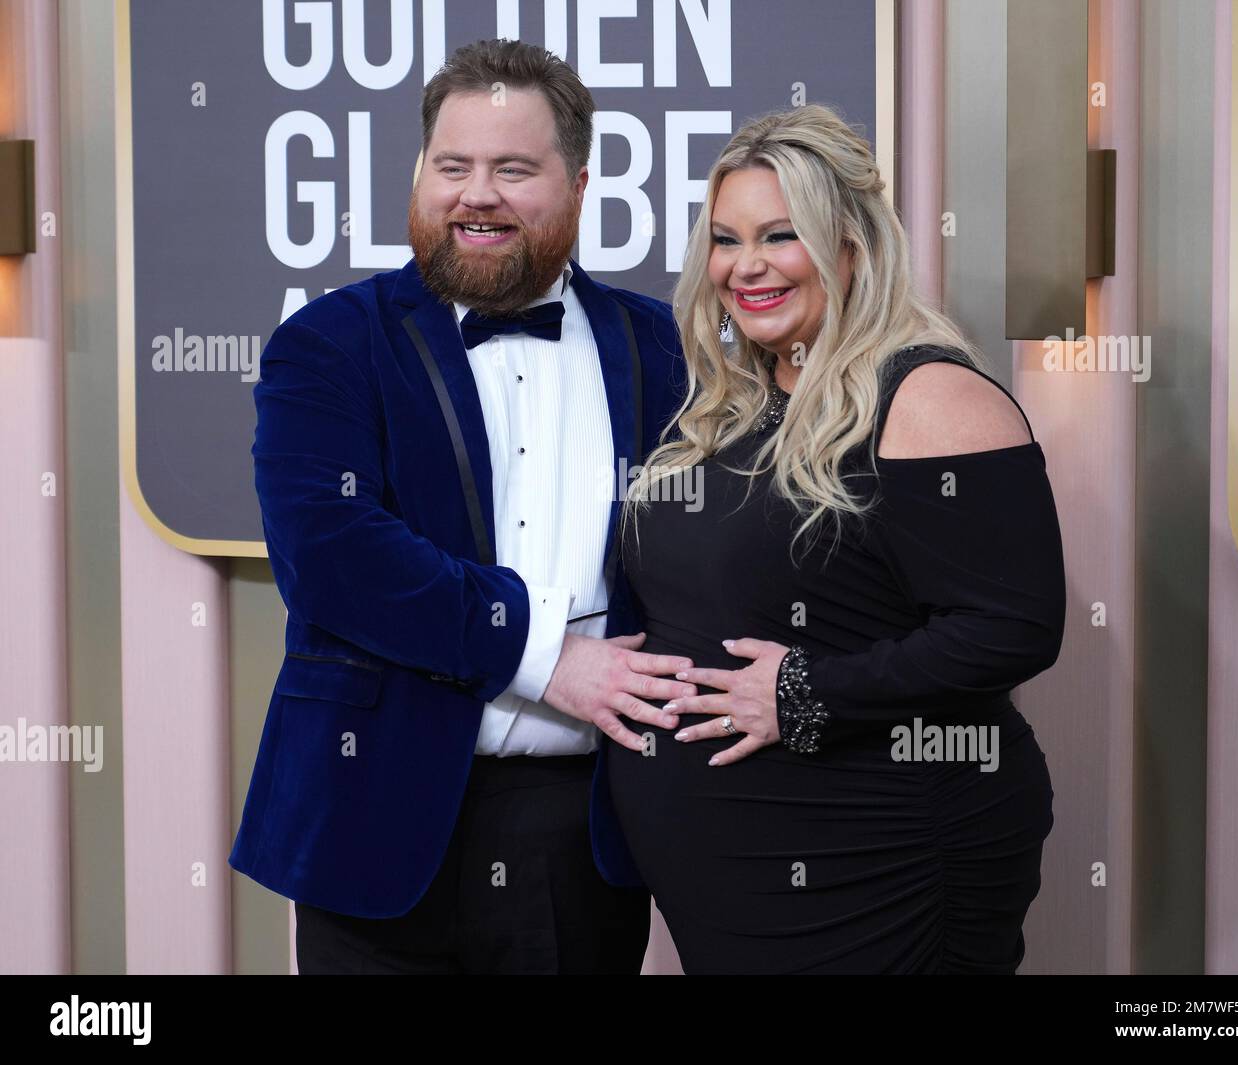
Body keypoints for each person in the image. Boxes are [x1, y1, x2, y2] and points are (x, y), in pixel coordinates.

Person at [228, 38, 694, 974]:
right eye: (453, 165)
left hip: (583, 837)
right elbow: (334, 557)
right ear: (420, 173)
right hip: (375, 816)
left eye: (513, 168)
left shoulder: (662, 346)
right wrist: (545, 655)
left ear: (579, 182)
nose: (476, 193)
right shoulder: (327, 344)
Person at [607, 104, 1067, 974]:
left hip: (882, 863)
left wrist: (805, 695)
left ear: (850, 245)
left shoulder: (928, 397)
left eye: (781, 235)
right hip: (735, 892)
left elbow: (1014, 627)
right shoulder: (729, 407)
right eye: (726, 238)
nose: (747, 266)